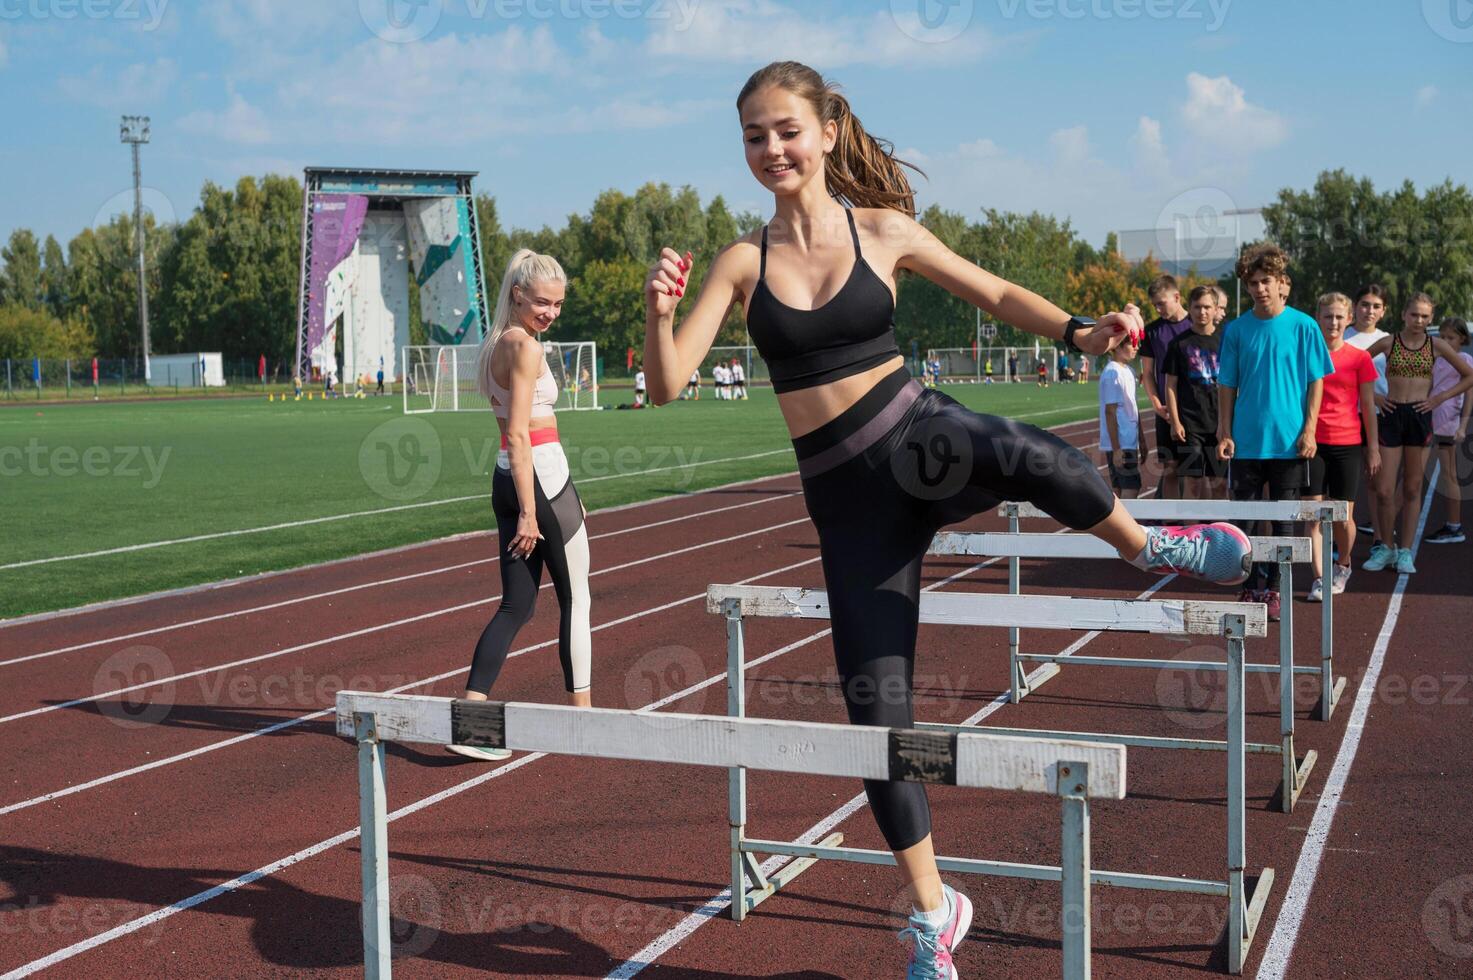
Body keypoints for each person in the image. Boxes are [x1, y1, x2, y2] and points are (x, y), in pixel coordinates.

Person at [640, 60, 1253, 979]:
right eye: (753, 137)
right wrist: (656, 315)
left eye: (785, 130)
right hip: (847, 508)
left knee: (1033, 455)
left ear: (828, 130)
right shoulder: (740, 260)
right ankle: (934, 914)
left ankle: (1145, 546)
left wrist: (1081, 331)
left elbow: (997, 294)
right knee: (876, 723)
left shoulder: (882, 230)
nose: (771, 149)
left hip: (916, 439)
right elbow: (666, 383)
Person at [449, 249, 593, 762]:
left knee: (517, 606)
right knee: (576, 599)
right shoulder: (525, 348)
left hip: (506, 477)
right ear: (516, 294)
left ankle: (471, 720)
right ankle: (583, 722)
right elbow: (518, 431)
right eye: (541, 302)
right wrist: (532, 511)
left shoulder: (491, 347)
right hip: (541, 479)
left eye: (557, 304)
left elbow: (508, 433)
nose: (550, 312)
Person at [1216, 244, 1334, 620]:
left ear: (1281, 282)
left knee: (1284, 524)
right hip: (1247, 442)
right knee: (1246, 523)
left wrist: (1310, 430)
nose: (1259, 288)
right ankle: (1252, 590)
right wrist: (1224, 431)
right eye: (1252, 282)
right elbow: (1227, 385)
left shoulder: (1303, 326)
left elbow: (1317, 381)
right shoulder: (1236, 329)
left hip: (1289, 442)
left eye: (1266, 280)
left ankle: (1276, 591)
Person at [1362, 295, 1473, 572]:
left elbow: (1469, 375)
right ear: (1403, 314)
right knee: (1385, 489)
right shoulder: (1389, 343)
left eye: (1424, 317)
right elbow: (1355, 367)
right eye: (1414, 315)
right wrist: (1374, 397)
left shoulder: (1436, 345)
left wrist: (1440, 397)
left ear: (1430, 318)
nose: (1419, 321)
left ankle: (1406, 552)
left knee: (1412, 488)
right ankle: (1387, 547)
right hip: (1391, 415)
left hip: (1420, 417)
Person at [1305, 292, 1380, 600]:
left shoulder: (1359, 358)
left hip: (1347, 442)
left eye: (1339, 317)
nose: (1333, 322)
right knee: (1311, 515)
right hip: (1311, 444)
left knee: (1341, 517)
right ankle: (1320, 579)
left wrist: (1372, 447)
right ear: (1318, 318)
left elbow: (1368, 405)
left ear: (1349, 319)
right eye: (1327, 316)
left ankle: (1344, 564)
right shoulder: (1306, 354)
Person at [1165, 285, 1226, 500]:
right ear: (1189, 309)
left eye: (1207, 307)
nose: (1202, 312)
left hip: (1218, 423)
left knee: (1219, 484)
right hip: (1190, 424)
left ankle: (1217, 530)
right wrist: (1175, 421)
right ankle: (1192, 532)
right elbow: (1170, 385)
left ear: (1216, 308)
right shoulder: (1178, 344)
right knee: (1193, 483)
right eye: (1197, 307)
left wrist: (1227, 424)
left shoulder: (1226, 341)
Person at [1344, 284, 1392, 540]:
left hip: (1380, 417)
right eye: (1364, 304)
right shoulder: (1341, 336)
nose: (1369, 311)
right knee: (1344, 485)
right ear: (1355, 307)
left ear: (1383, 311)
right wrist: (1371, 395)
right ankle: (1340, 539)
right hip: (1348, 416)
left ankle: (1379, 538)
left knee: (1378, 482)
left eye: (1376, 306)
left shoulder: (1387, 339)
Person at [1141, 275, 1192, 499]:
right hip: (1166, 411)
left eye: (1162, 303)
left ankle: (1200, 522)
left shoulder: (1197, 325)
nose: (1158, 308)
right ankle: (1171, 524)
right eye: (1155, 305)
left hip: (1195, 409)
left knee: (1198, 471)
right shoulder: (1152, 332)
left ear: (1177, 297)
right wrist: (1156, 405)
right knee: (1170, 468)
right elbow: (1148, 374)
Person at [1426, 316, 1472, 544]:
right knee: (1411, 474)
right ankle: (1384, 521)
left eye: (1450, 338)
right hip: (1429, 419)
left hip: (1447, 422)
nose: (1444, 341)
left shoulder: (1464, 359)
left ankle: (1454, 526)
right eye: (1441, 337)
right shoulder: (1435, 359)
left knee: (1448, 475)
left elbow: (1469, 395)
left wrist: (1463, 426)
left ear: (1462, 339)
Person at [1099, 328, 1145, 498]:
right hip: (1121, 442)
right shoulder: (1113, 373)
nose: (1136, 347)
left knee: (1120, 489)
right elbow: (1110, 412)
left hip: (1129, 441)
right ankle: (1125, 524)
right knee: (1130, 487)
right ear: (1118, 346)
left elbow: (1133, 408)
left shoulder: (1128, 371)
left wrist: (1142, 440)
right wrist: (1117, 448)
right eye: (1132, 343)